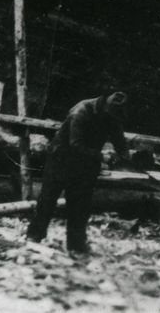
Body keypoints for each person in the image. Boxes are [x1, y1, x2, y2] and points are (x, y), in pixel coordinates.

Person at [27, 91, 130, 254]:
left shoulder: (112, 116)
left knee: (80, 205)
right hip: (62, 158)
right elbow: (75, 144)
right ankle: (34, 235)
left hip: (86, 163)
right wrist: (101, 156)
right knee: (48, 199)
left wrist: (125, 156)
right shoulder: (81, 111)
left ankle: (76, 245)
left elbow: (119, 140)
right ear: (105, 107)